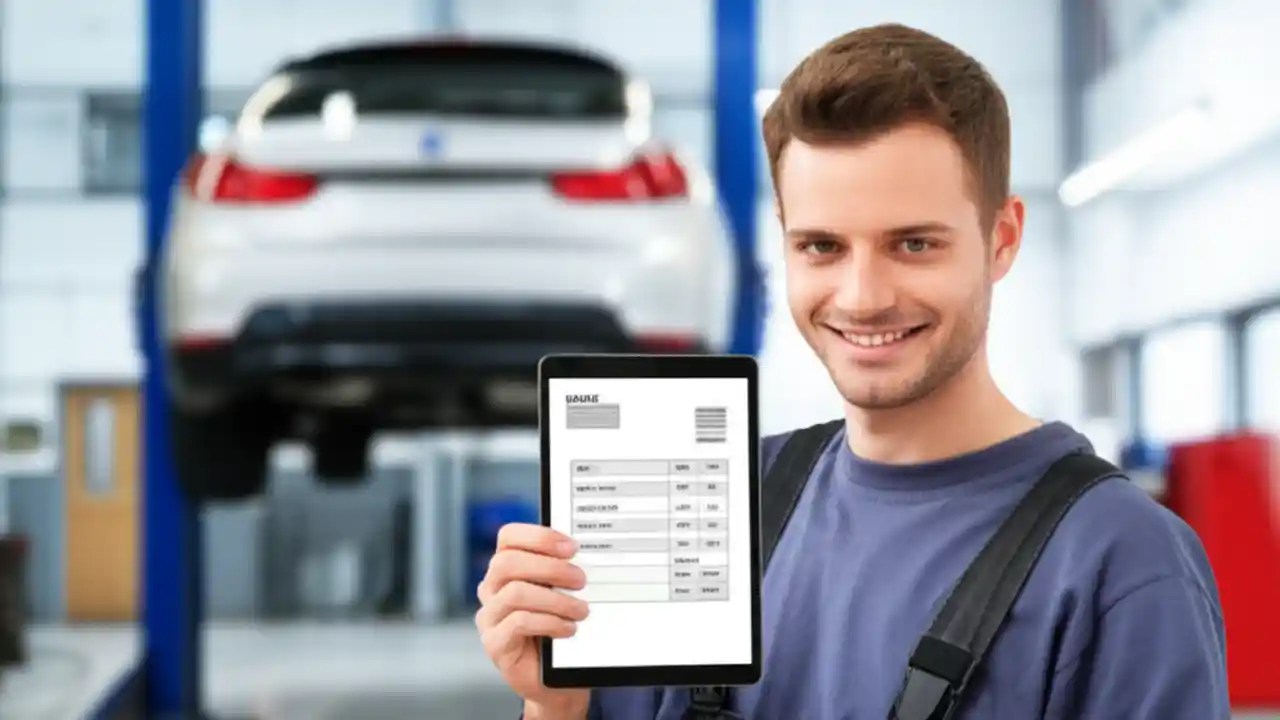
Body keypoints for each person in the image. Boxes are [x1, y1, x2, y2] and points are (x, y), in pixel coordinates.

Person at [473, 23, 1229, 720]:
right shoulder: (719, 510)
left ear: (1001, 239)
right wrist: (554, 708)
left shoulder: (1121, 564)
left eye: (914, 245)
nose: (862, 298)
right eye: (822, 247)